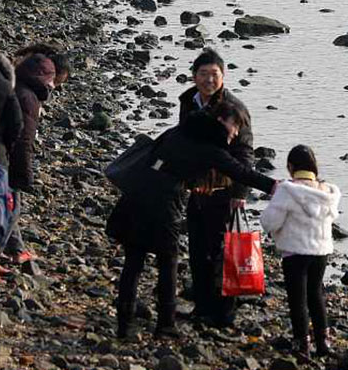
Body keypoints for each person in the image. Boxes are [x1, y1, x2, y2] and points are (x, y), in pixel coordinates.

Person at [106, 100, 275, 339]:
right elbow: (242, 173)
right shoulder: (209, 148)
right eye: (234, 125)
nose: (236, 133)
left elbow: (156, 152)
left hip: (136, 193)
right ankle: (165, 325)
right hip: (164, 203)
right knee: (168, 261)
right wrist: (276, 186)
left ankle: (124, 324)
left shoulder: (180, 130)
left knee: (133, 260)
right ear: (219, 121)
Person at [178, 50, 257, 328]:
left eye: (215, 74)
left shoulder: (234, 109)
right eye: (203, 74)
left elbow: (245, 153)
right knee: (198, 251)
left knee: (224, 254)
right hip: (196, 189)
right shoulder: (189, 101)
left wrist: (240, 194)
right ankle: (202, 306)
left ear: (223, 77)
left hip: (223, 190)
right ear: (194, 75)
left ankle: (224, 314)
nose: (209, 80)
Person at [261, 145, 341, 362]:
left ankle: (302, 343)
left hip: (295, 251)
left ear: (291, 167)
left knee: (297, 299)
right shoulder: (328, 192)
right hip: (321, 251)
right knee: (316, 295)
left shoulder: (288, 190)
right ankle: (323, 342)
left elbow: (269, 221)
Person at [3, 53, 55, 268]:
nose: (53, 85)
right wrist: (24, 174)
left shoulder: (14, 85)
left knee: (7, 205)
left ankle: (15, 248)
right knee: (12, 206)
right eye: (51, 79)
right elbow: (24, 140)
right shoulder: (28, 98)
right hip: (5, 157)